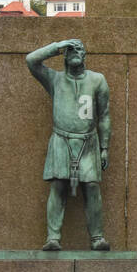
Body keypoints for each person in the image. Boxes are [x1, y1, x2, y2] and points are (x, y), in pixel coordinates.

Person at [27, 39, 112, 251]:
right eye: (70, 50)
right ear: (64, 55)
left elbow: (104, 116)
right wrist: (58, 45)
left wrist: (104, 147)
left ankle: (97, 237)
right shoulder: (54, 79)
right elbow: (31, 60)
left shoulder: (97, 80)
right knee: (58, 186)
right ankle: (53, 237)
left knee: (92, 187)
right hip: (61, 140)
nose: (74, 53)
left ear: (85, 54)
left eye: (79, 49)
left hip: (88, 141)